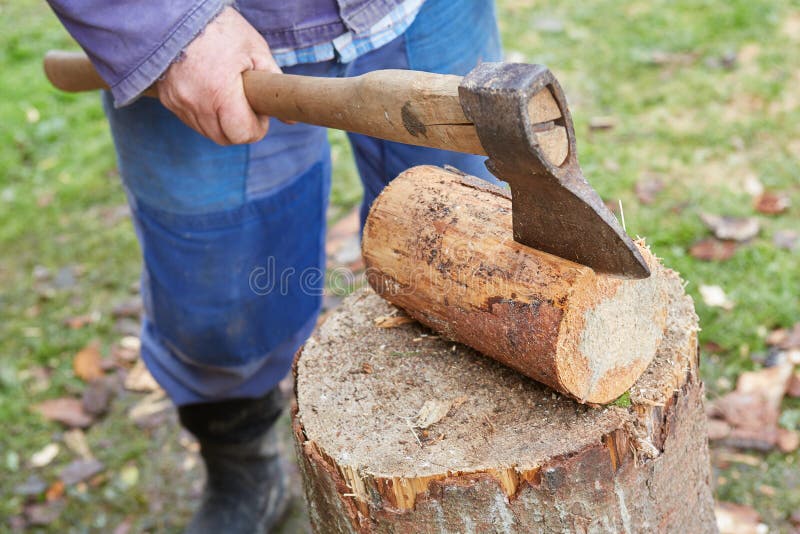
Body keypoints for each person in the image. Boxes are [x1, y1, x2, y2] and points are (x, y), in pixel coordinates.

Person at [46, 0, 503, 531]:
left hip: (424, 11)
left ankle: (448, 459)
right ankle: (242, 463)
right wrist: (167, 27)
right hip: (207, 38)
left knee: (469, 264)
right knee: (220, 309)